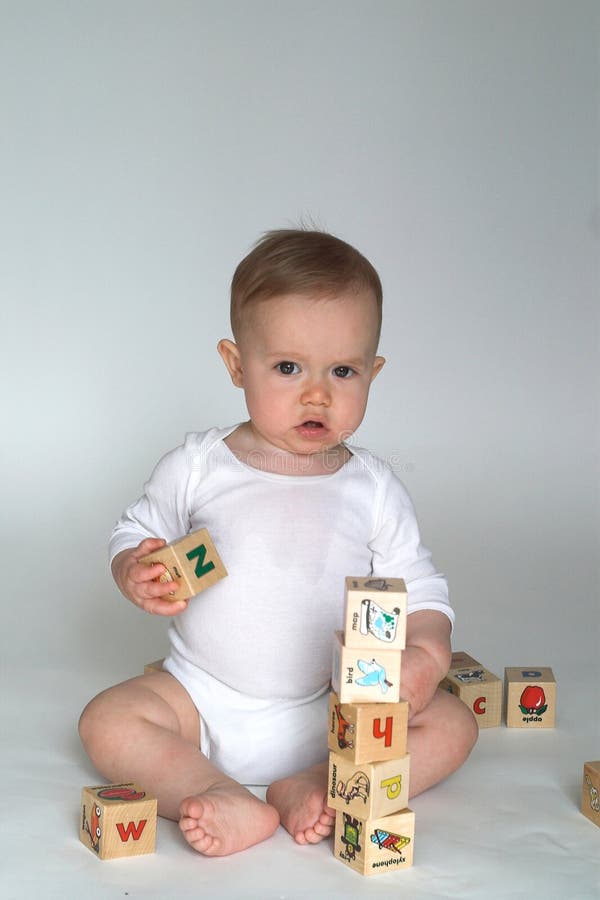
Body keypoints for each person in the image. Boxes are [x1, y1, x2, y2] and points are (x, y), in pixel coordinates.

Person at [79, 229, 478, 858]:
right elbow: (137, 529)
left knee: (454, 723)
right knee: (107, 719)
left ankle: (316, 782)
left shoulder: (372, 487)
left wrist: (427, 650)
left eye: (343, 370)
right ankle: (212, 788)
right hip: (200, 702)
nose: (316, 393)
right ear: (237, 365)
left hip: (330, 712)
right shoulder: (200, 464)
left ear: (373, 373)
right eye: (287, 367)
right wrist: (135, 566)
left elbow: (420, 588)